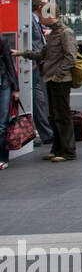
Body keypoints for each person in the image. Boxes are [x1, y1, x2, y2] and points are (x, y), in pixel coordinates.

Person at [17, 0, 79, 161]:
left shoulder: (65, 33)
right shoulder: (54, 33)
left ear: (50, 15)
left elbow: (71, 57)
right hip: (52, 79)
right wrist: (21, 54)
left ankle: (67, 150)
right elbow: (43, 54)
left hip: (60, 80)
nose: (40, 19)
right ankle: (58, 148)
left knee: (62, 115)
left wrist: (58, 75)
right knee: (55, 115)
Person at [27, 7, 54, 146]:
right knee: (39, 99)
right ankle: (46, 133)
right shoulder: (30, 19)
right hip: (35, 64)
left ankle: (46, 132)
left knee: (41, 99)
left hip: (40, 63)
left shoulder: (36, 21)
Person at [0, 34, 21, 171]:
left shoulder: (2, 40)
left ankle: (2, 158)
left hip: (4, 85)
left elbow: (9, 64)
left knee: (2, 123)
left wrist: (16, 89)